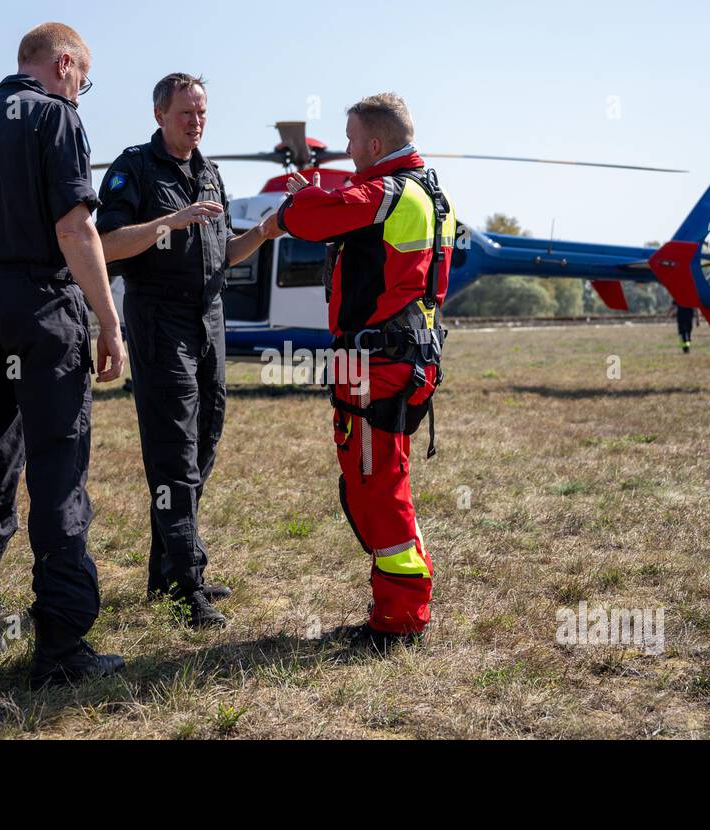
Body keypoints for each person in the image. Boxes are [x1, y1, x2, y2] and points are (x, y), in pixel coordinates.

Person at [0, 22, 126, 688]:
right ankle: (62, 644)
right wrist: (108, 321)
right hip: (39, 300)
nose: (81, 92)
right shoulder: (57, 119)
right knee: (57, 465)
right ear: (64, 64)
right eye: (84, 80)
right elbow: (75, 227)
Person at [95, 73, 282, 628]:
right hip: (160, 321)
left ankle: (167, 570)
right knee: (173, 452)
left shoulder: (210, 173)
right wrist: (167, 222)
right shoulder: (134, 169)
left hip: (209, 318)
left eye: (202, 113)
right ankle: (185, 582)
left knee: (204, 443)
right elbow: (105, 246)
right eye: (185, 114)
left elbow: (222, 254)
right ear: (159, 115)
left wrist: (265, 234)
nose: (196, 122)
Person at [276, 93, 454, 648]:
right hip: (396, 357)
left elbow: (304, 220)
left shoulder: (385, 192)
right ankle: (394, 608)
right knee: (375, 482)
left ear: (375, 144)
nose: (348, 151)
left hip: (376, 362)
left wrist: (301, 199)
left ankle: (400, 619)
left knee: (378, 487)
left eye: (352, 141)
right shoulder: (426, 192)